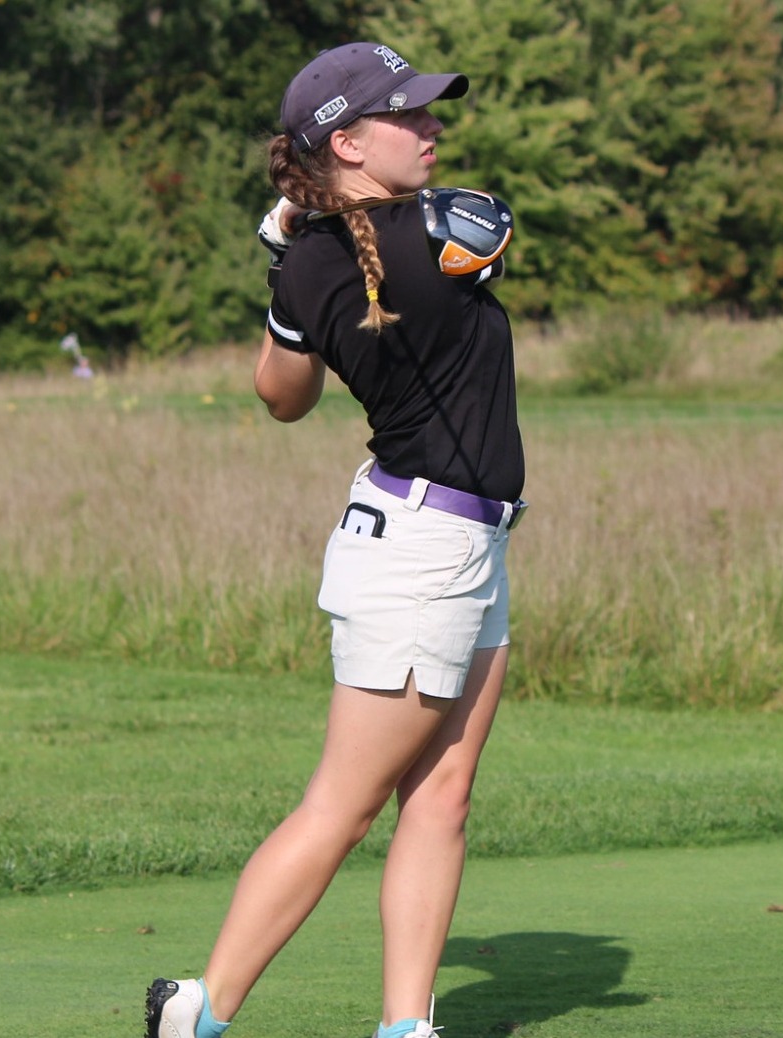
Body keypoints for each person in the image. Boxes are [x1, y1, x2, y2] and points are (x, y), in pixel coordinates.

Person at [144, 41, 525, 1038]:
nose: (433, 127)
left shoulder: (309, 264)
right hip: (421, 554)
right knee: (342, 808)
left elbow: (280, 394)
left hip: (452, 544)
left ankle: (406, 1027)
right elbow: (484, 228)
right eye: (410, 114)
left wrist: (285, 250)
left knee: (441, 798)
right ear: (346, 142)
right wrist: (297, 237)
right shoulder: (439, 228)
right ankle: (200, 1011)